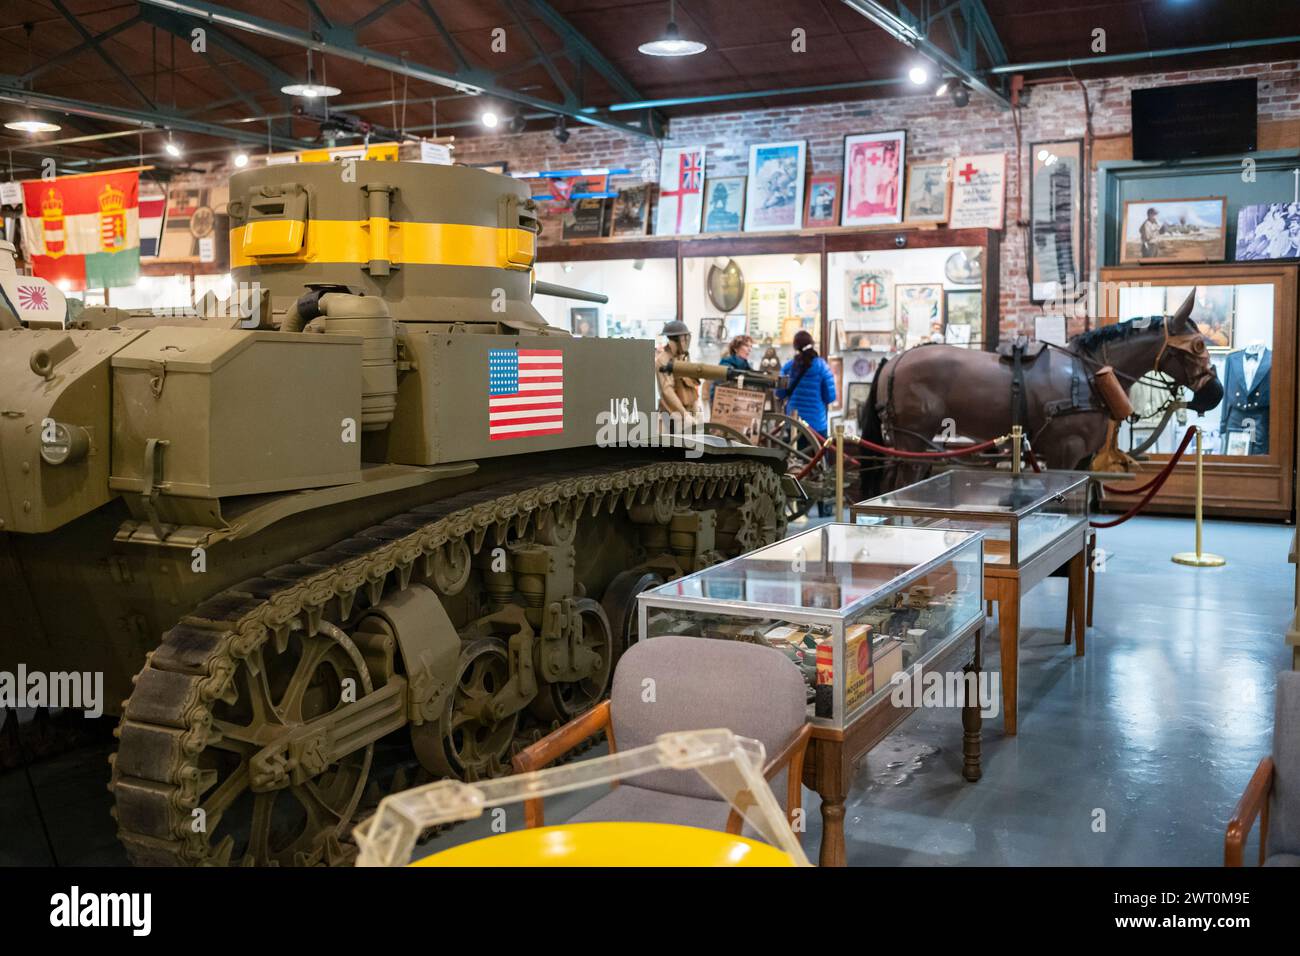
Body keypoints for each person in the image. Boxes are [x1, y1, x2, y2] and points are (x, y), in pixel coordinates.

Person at [776, 330, 836, 437]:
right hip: (817, 423)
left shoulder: (788, 367)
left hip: (794, 422)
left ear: (795, 347)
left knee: (795, 453)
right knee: (817, 453)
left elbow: (779, 393)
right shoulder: (822, 366)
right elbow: (830, 397)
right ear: (812, 344)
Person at [655, 319, 700, 426]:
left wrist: (695, 409)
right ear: (673, 340)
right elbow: (667, 391)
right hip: (671, 417)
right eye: (683, 338)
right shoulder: (663, 361)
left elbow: (691, 386)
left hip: (687, 414)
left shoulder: (682, 358)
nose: (686, 341)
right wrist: (685, 414)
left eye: (686, 337)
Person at [712, 334, 753, 400]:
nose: (750, 349)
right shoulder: (726, 364)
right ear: (736, 348)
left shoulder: (746, 366)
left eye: (751, 346)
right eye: (746, 346)